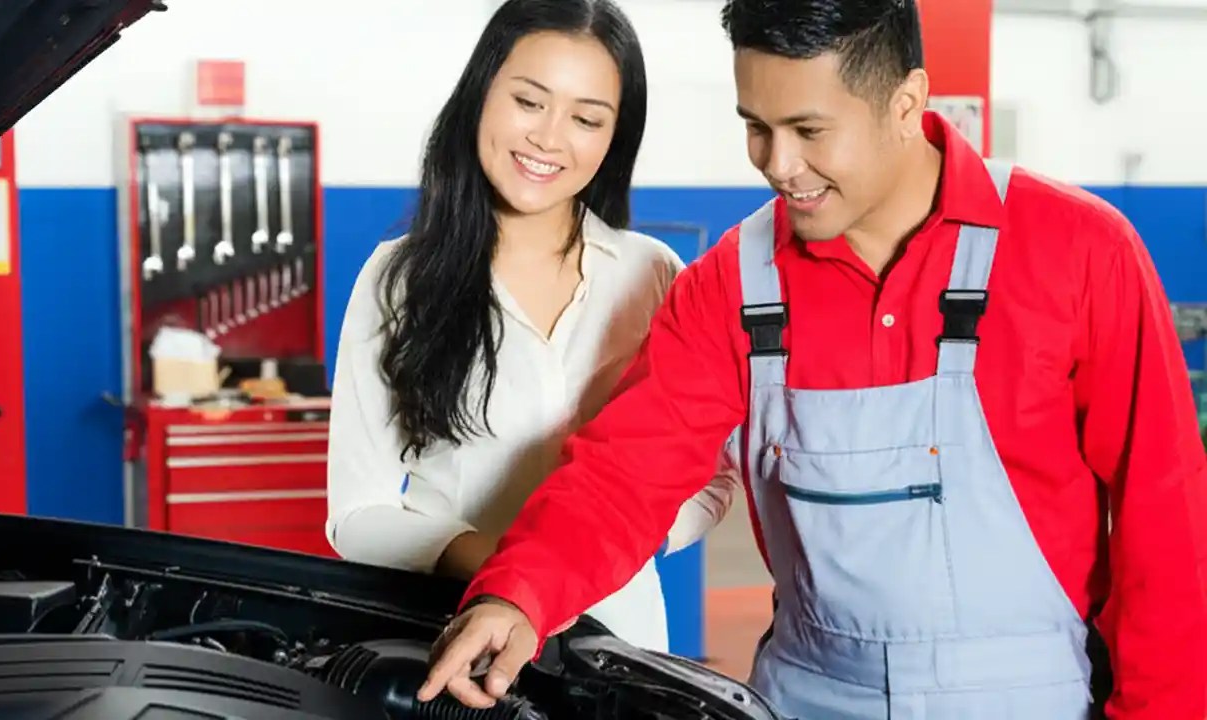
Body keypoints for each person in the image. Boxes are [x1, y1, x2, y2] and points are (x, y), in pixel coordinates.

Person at [417, 1, 1207, 718]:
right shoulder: (731, 283)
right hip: (806, 694)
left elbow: (1166, 520)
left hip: (1032, 696)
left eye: (808, 130)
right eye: (756, 126)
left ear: (906, 103)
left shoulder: (1079, 251)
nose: (777, 163)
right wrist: (517, 595)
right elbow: (624, 474)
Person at [324, 0, 740, 654]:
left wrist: (610, 545)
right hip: (454, 635)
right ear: (481, 94)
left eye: (586, 119)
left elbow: (712, 475)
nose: (549, 137)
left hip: (618, 641)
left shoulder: (654, 274)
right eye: (529, 101)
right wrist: (514, 571)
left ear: (614, 137)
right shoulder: (398, 279)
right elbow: (355, 515)